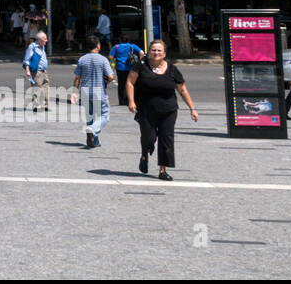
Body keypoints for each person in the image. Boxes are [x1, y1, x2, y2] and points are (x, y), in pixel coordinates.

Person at [127, 38, 199, 180]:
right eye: (153, 50)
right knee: (149, 138)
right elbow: (130, 82)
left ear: (164, 53)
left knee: (166, 139)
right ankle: (144, 154)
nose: (156, 52)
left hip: (169, 110)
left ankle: (162, 170)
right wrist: (131, 101)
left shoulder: (172, 69)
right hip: (146, 109)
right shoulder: (140, 66)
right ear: (149, 52)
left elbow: (182, 90)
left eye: (159, 50)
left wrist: (192, 108)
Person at [72, 33, 115, 147]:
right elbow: (111, 76)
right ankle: (91, 129)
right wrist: (107, 81)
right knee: (104, 115)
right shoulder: (102, 60)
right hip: (99, 92)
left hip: (85, 92)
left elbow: (77, 77)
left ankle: (94, 141)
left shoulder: (82, 59)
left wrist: (74, 92)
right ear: (97, 46)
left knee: (90, 117)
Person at [110, 38, 143, 106]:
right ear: (129, 40)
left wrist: (115, 60)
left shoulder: (116, 47)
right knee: (131, 84)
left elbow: (111, 57)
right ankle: (131, 100)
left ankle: (122, 102)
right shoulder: (132, 46)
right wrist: (139, 61)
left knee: (121, 85)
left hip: (120, 67)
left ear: (120, 40)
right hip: (130, 67)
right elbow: (142, 53)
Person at [23, 30, 49, 112]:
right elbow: (27, 59)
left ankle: (45, 104)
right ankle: (36, 105)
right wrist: (27, 70)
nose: (46, 40)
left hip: (44, 71)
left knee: (46, 87)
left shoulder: (42, 46)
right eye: (45, 39)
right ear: (40, 40)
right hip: (36, 72)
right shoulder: (32, 46)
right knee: (36, 88)